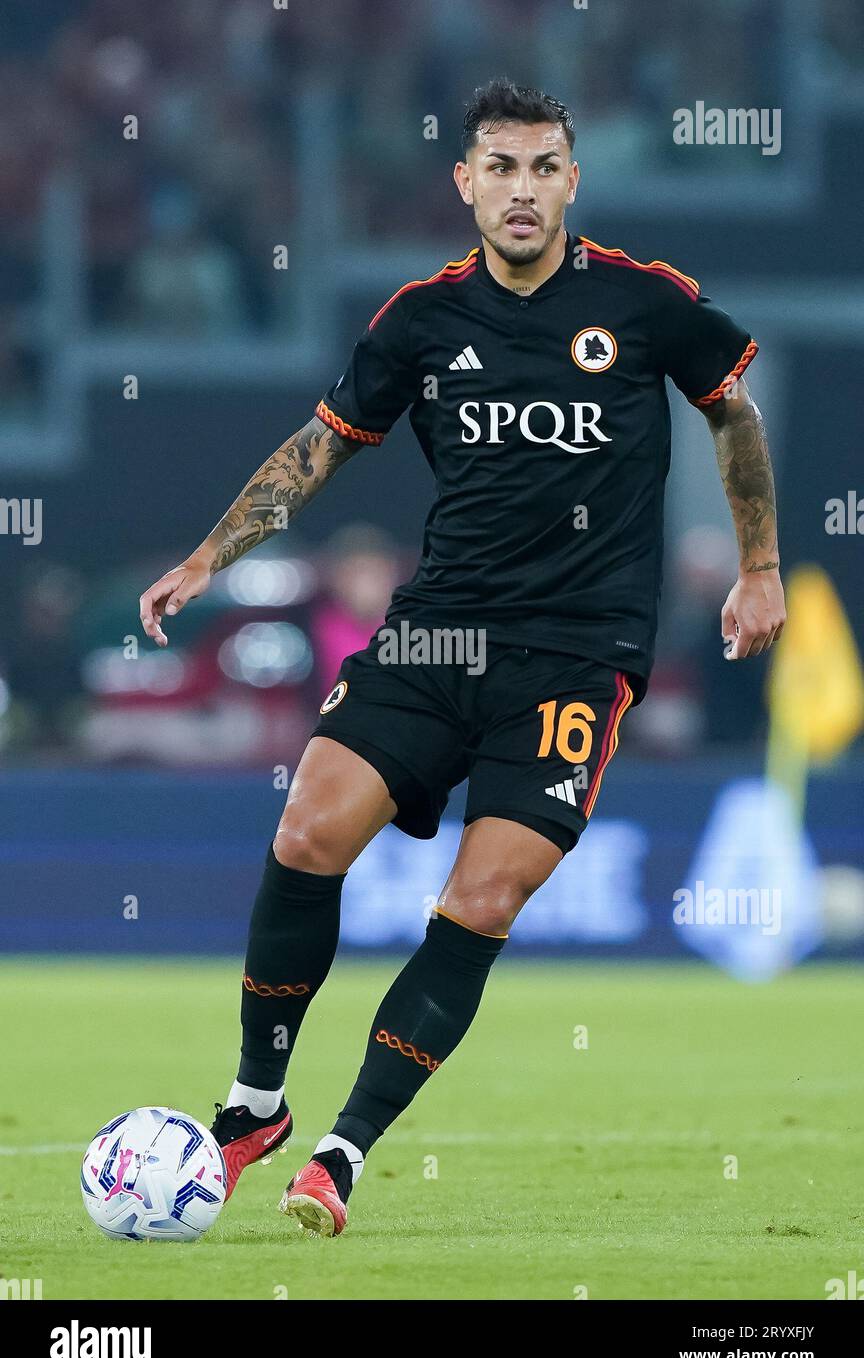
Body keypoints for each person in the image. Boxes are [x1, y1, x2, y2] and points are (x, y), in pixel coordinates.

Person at [139, 79, 785, 1237]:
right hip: (440, 628)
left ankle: (342, 1149)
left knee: (481, 899)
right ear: (466, 184)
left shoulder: (646, 304)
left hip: (577, 657)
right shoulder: (420, 321)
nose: (523, 189)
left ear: (572, 182)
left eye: (545, 167)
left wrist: (760, 564)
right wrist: (207, 559)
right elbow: (320, 447)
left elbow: (731, 409)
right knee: (307, 830)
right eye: (502, 167)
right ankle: (254, 1104)